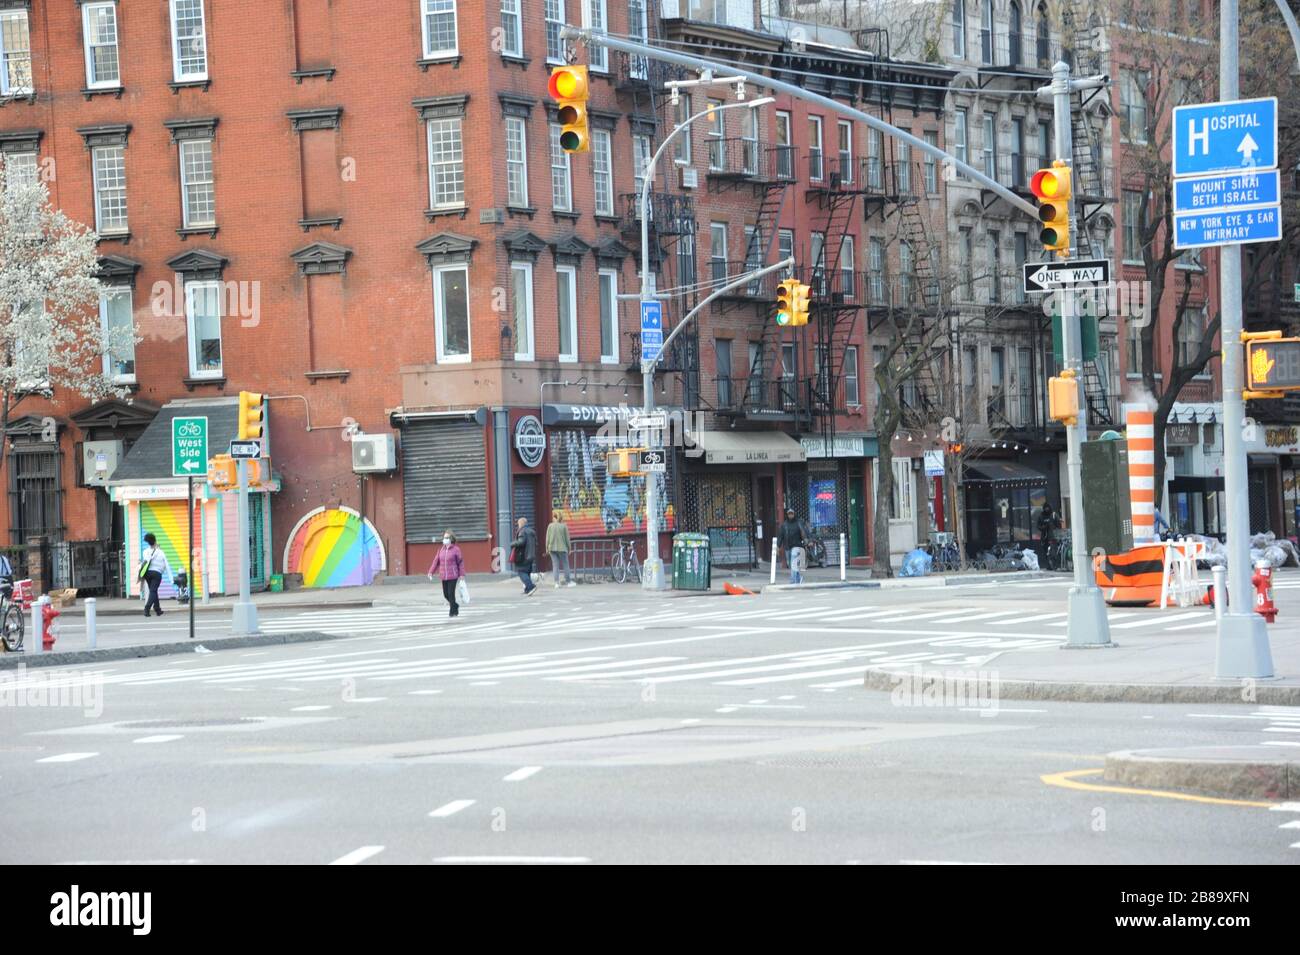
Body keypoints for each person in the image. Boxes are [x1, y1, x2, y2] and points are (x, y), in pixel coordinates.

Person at [427, 529, 465, 618]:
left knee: (451, 594)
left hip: (453, 575)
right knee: (446, 594)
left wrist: (462, 574)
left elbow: (460, 562)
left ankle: (452, 612)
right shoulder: (441, 550)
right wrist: (430, 572)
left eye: (447, 537)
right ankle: (455, 605)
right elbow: (436, 562)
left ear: (451, 539)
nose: (445, 539)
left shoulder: (456, 549)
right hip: (443, 575)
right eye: (444, 537)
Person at [140, 533, 170, 618]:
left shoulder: (145, 551)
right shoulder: (160, 552)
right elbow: (166, 565)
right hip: (156, 574)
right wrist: (171, 578)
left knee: (153, 590)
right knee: (153, 591)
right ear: (155, 541)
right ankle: (147, 608)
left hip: (147, 574)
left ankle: (158, 609)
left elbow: (147, 560)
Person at [545, 513, 576, 588]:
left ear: (554, 518)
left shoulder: (550, 526)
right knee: (565, 565)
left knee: (555, 565)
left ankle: (556, 583)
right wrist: (569, 548)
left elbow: (547, 538)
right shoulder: (564, 526)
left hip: (552, 548)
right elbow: (567, 539)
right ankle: (568, 582)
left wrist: (547, 548)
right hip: (562, 548)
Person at [777, 508, 806, 585]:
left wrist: (807, 541)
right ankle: (799, 578)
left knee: (794, 563)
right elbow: (780, 536)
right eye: (789, 514)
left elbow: (804, 532)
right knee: (791, 565)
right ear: (787, 515)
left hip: (797, 546)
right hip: (787, 547)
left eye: (792, 513)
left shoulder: (799, 523)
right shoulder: (784, 525)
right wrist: (778, 546)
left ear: (794, 514)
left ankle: (793, 580)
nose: (790, 515)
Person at [511, 517, 539, 596]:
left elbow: (521, 542)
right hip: (531, 555)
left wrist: (513, 544)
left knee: (521, 572)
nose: (518, 525)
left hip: (523, 556)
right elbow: (536, 543)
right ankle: (527, 590)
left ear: (521, 524)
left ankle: (531, 587)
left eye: (518, 524)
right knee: (527, 572)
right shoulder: (532, 531)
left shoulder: (522, 531)